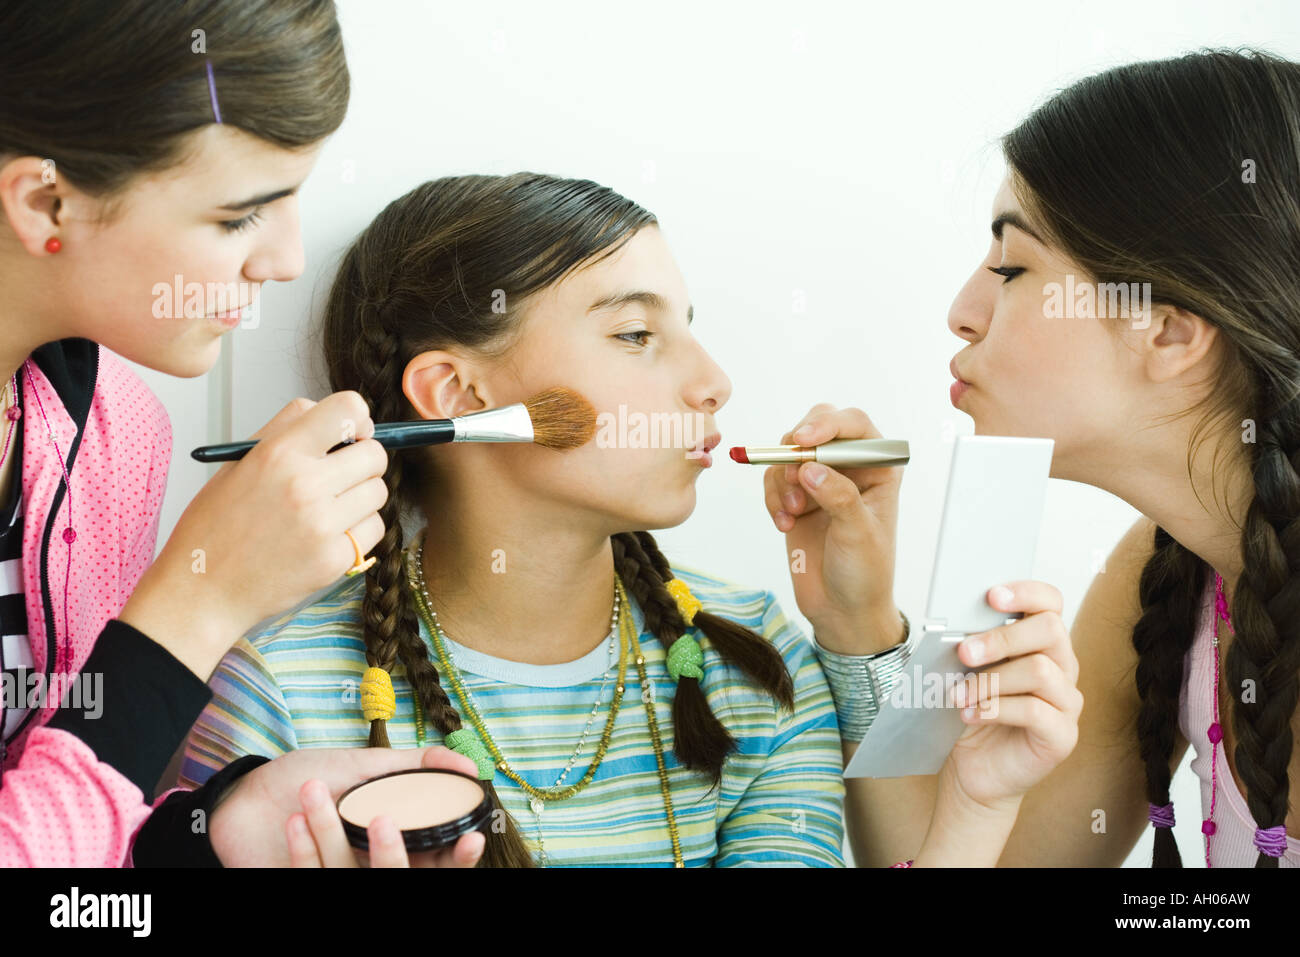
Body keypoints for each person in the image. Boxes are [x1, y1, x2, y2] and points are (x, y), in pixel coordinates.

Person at [180, 171, 1083, 866]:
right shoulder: (281, 688)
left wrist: (953, 775)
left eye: (688, 325)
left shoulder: (753, 671)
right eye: (635, 335)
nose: (712, 380)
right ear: (456, 392)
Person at [779, 48, 1300, 868]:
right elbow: (953, 856)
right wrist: (857, 623)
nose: (962, 312)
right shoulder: (1169, 576)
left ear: (1168, 330)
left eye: (1014, 267)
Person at [0, 0, 483, 868]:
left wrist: (219, 830)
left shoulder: (111, 431)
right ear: (47, 201)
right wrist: (195, 605)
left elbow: (72, 831)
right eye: (237, 217)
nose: (287, 260)